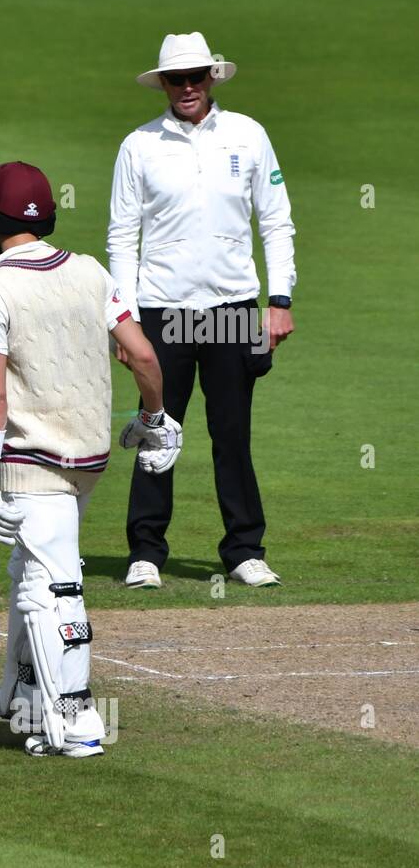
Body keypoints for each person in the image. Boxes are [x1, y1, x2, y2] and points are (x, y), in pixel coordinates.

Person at [0, 161, 179, 757]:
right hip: (90, 460)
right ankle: (26, 700)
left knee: (53, 587)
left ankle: (77, 720)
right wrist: (154, 419)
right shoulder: (90, 272)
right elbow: (143, 357)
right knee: (29, 573)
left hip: (28, 462)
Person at [108, 31, 296, 590]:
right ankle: (146, 551)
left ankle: (244, 550)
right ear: (162, 84)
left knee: (232, 433)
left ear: (212, 77)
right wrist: (125, 319)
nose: (187, 87)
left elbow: (277, 220)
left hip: (233, 308)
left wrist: (279, 300)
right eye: (176, 79)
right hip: (162, 310)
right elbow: (122, 236)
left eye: (196, 77)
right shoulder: (139, 146)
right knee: (157, 429)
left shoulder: (249, 135)